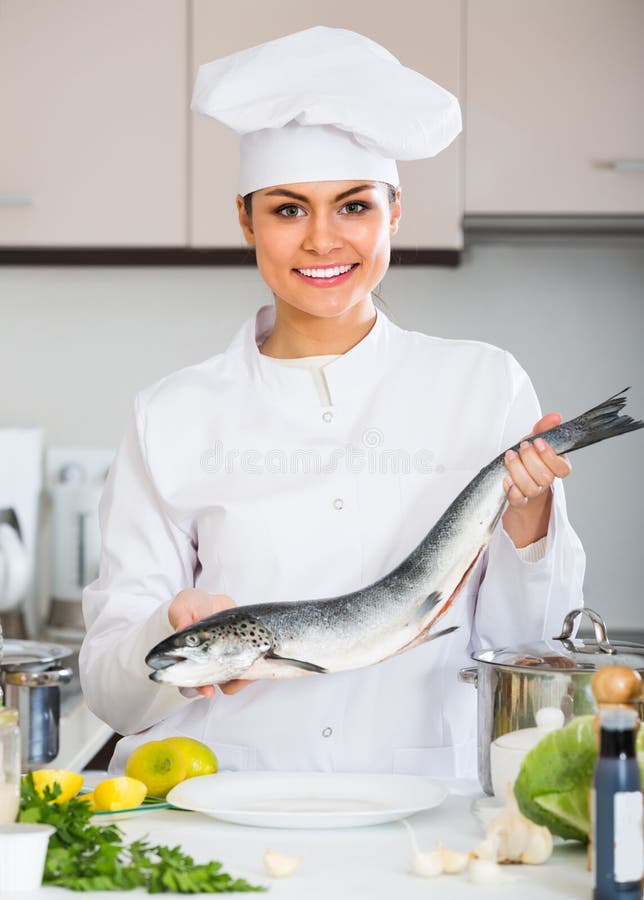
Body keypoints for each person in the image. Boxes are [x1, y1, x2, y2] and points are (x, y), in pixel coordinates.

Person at [80, 26, 585, 779]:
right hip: (222, 809)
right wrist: (170, 630)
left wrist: (528, 523)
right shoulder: (170, 414)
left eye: (353, 206)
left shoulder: (485, 384)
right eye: (287, 210)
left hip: (420, 810)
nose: (322, 240)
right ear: (246, 219)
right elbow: (113, 694)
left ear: (395, 213)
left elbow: (534, 650)